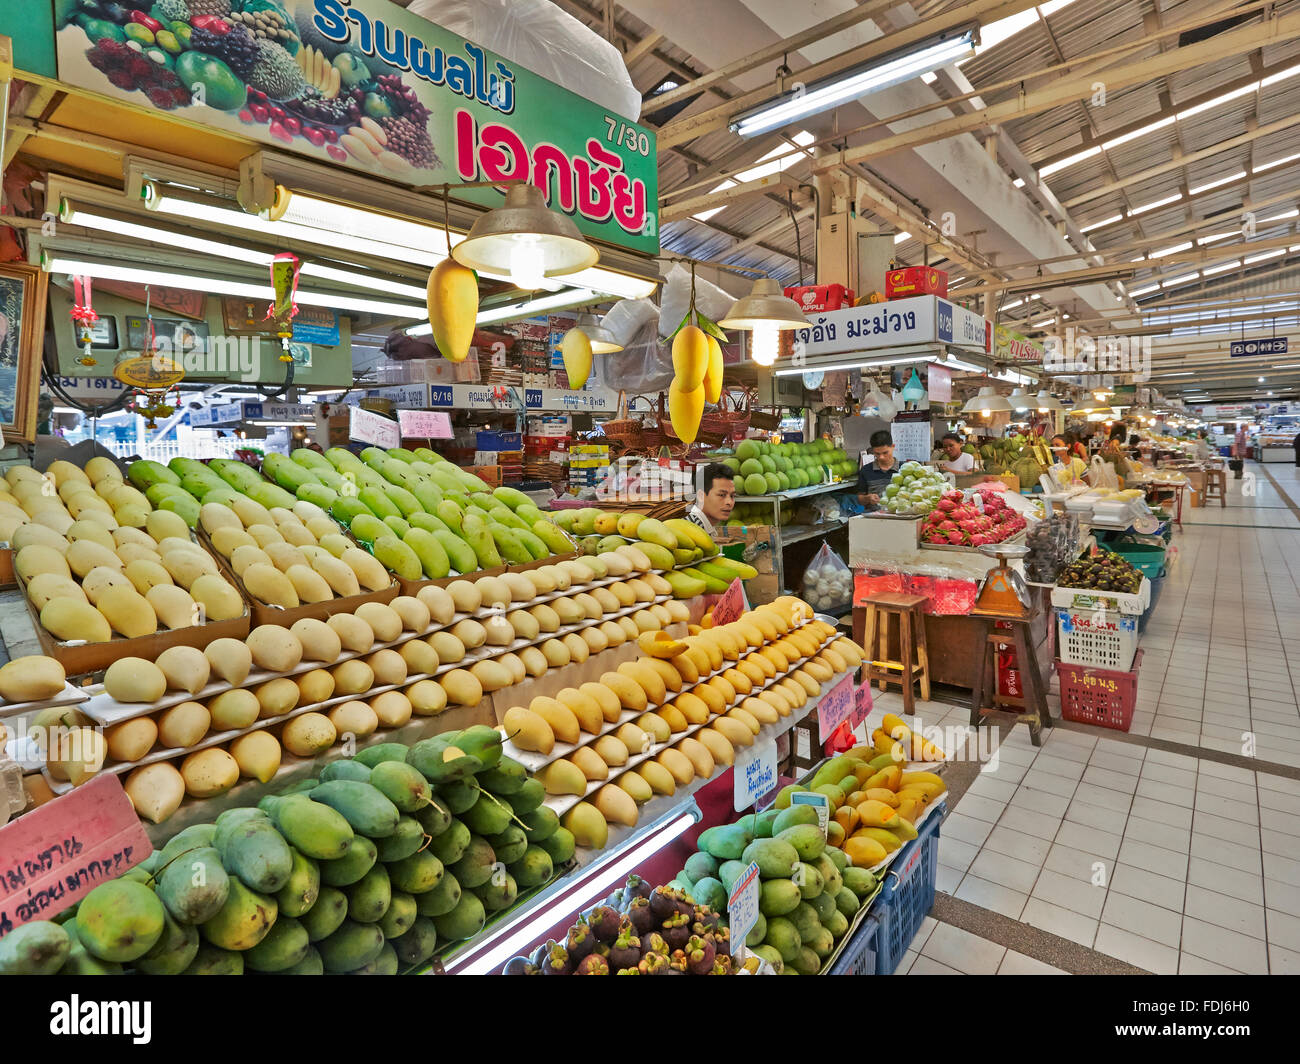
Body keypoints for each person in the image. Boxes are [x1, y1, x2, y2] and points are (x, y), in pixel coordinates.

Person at [685, 462, 735, 537]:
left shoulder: (704, 527)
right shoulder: (691, 530)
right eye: (722, 495)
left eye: (732, 496)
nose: (729, 502)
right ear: (701, 496)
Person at [855, 430, 900, 511]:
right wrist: (867, 498)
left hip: (901, 517)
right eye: (877, 454)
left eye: (885, 453)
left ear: (893, 447)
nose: (881, 457)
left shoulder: (903, 469)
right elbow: (860, 499)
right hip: (874, 517)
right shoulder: (866, 470)